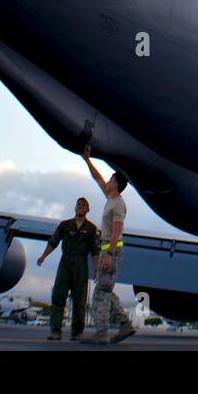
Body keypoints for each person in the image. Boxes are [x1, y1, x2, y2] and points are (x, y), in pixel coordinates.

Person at [83, 144, 135, 344]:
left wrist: (109, 256)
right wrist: (87, 160)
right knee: (106, 291)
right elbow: (97, 178)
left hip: (111, 252)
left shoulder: (119, 204)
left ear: (117, 185)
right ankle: (125, 325)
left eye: (111, 179)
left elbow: (117, 231)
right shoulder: (110, 197)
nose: (108, 180)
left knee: (100, 293)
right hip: (107, 251)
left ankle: (101, 333)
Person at [37, 197, 100, 340]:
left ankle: (77, 332)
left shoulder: (91, 228)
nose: (80, 207)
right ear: (75, 208)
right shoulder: (65, 225)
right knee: (58, 295)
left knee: (79, 299)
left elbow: (95, 251)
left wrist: (96, 269)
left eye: (83, 205)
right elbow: (53, 242)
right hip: (65, 262)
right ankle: (55, 330)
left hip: (81, 263)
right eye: (78, 205)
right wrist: (43, 256)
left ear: (88, 210)